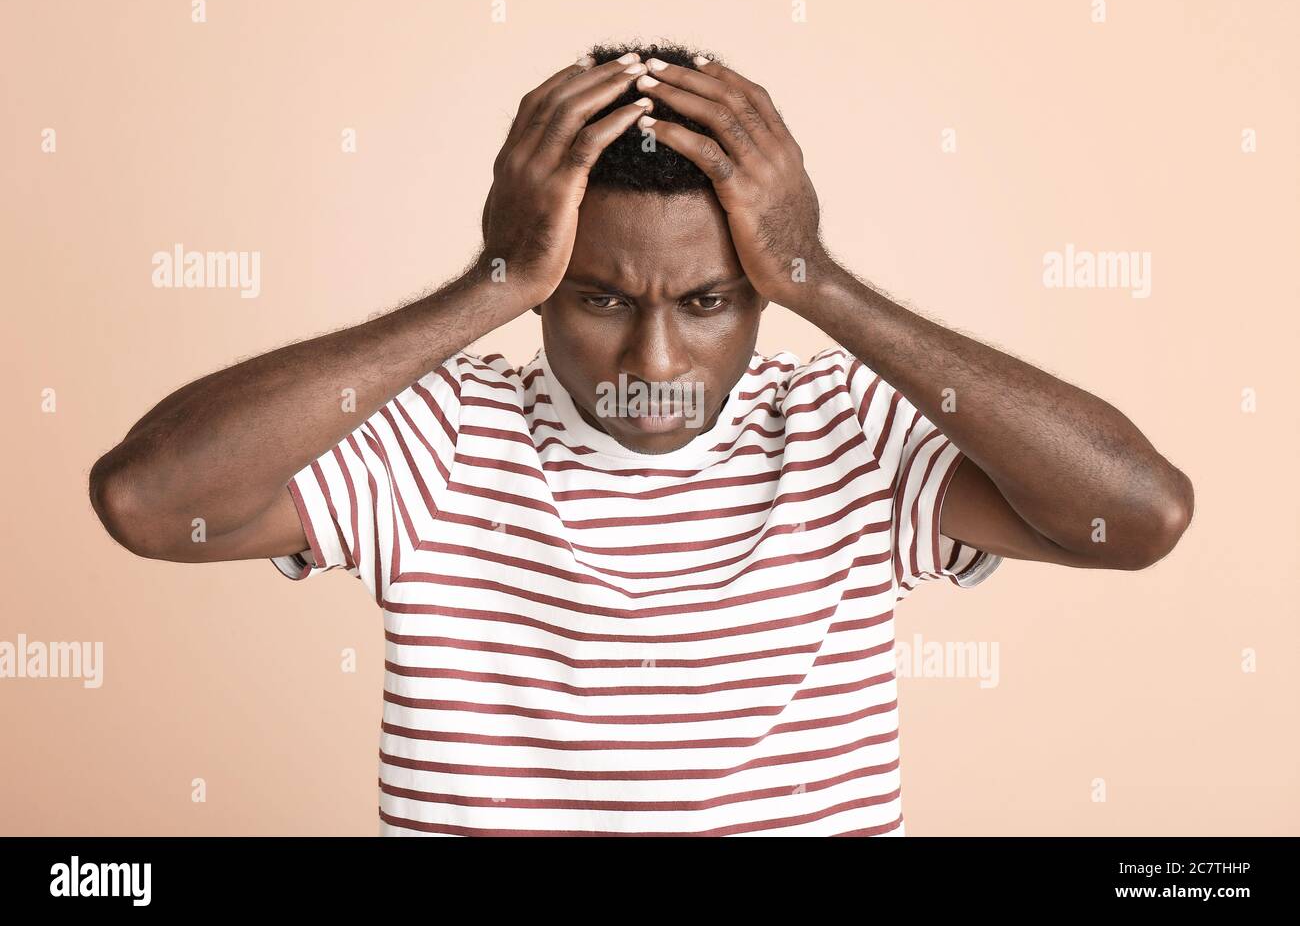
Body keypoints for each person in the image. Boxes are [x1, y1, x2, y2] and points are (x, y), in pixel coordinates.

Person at [88, 41, 1194, 836]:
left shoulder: (849, 431)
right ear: (537, 287)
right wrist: (488, 281)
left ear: (766, 295)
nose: (655, 365)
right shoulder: (438, 434)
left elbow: (1139, 515)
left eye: (711, 302)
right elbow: (147, 499)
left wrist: (823, 278)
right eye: (598, 299)